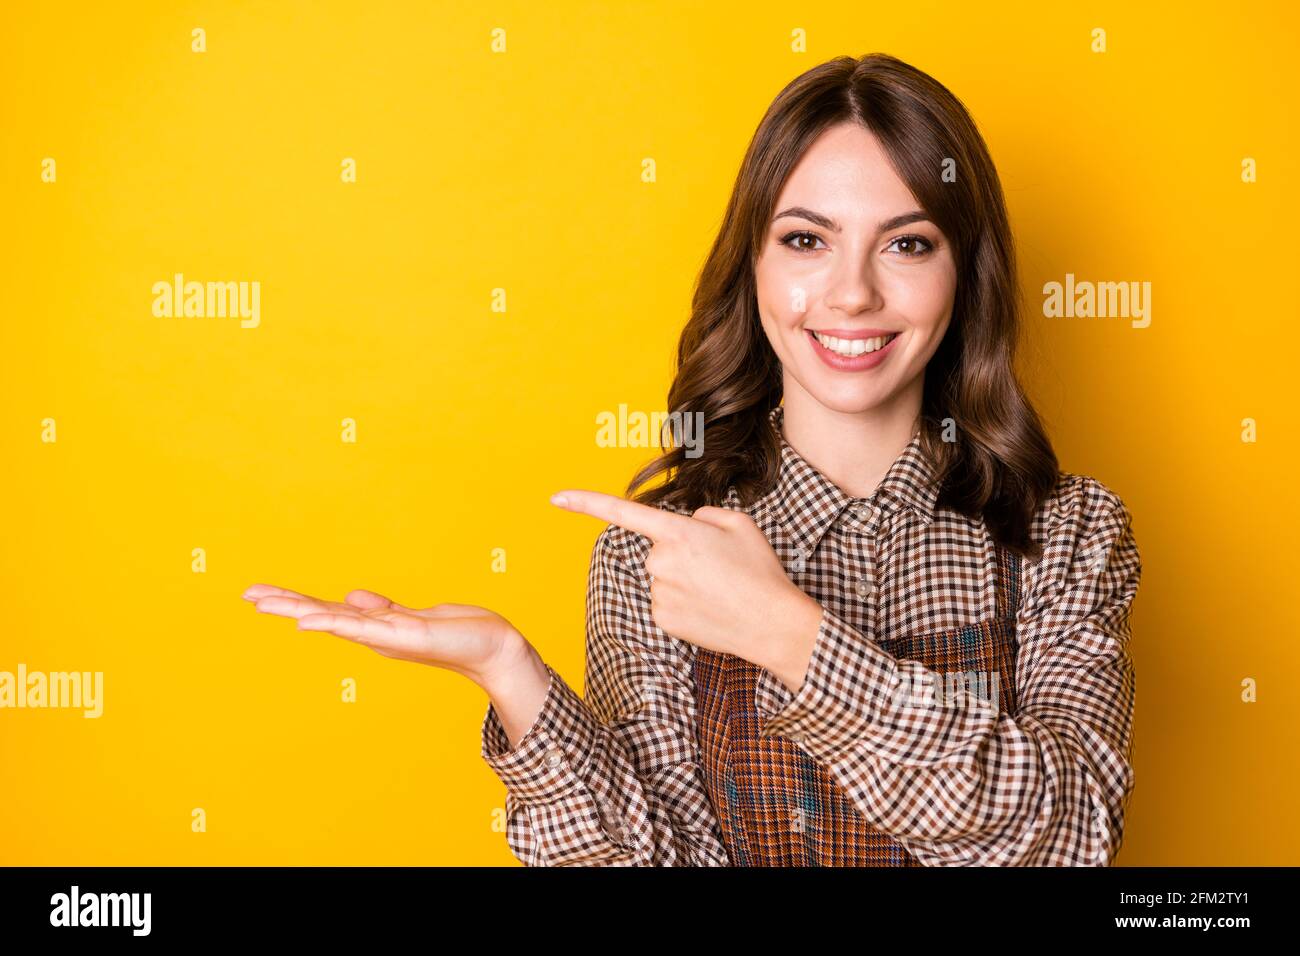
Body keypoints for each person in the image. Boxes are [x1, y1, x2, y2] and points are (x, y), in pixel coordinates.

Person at [242, 52, 1141, 867]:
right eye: (806, 239)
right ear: (750, 265)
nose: (853, 292)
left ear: (964, 272)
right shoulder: (654, 553)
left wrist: (787, 635)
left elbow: (1066, 842)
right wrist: (507, 670)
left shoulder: (1067, 531)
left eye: (907, 244)